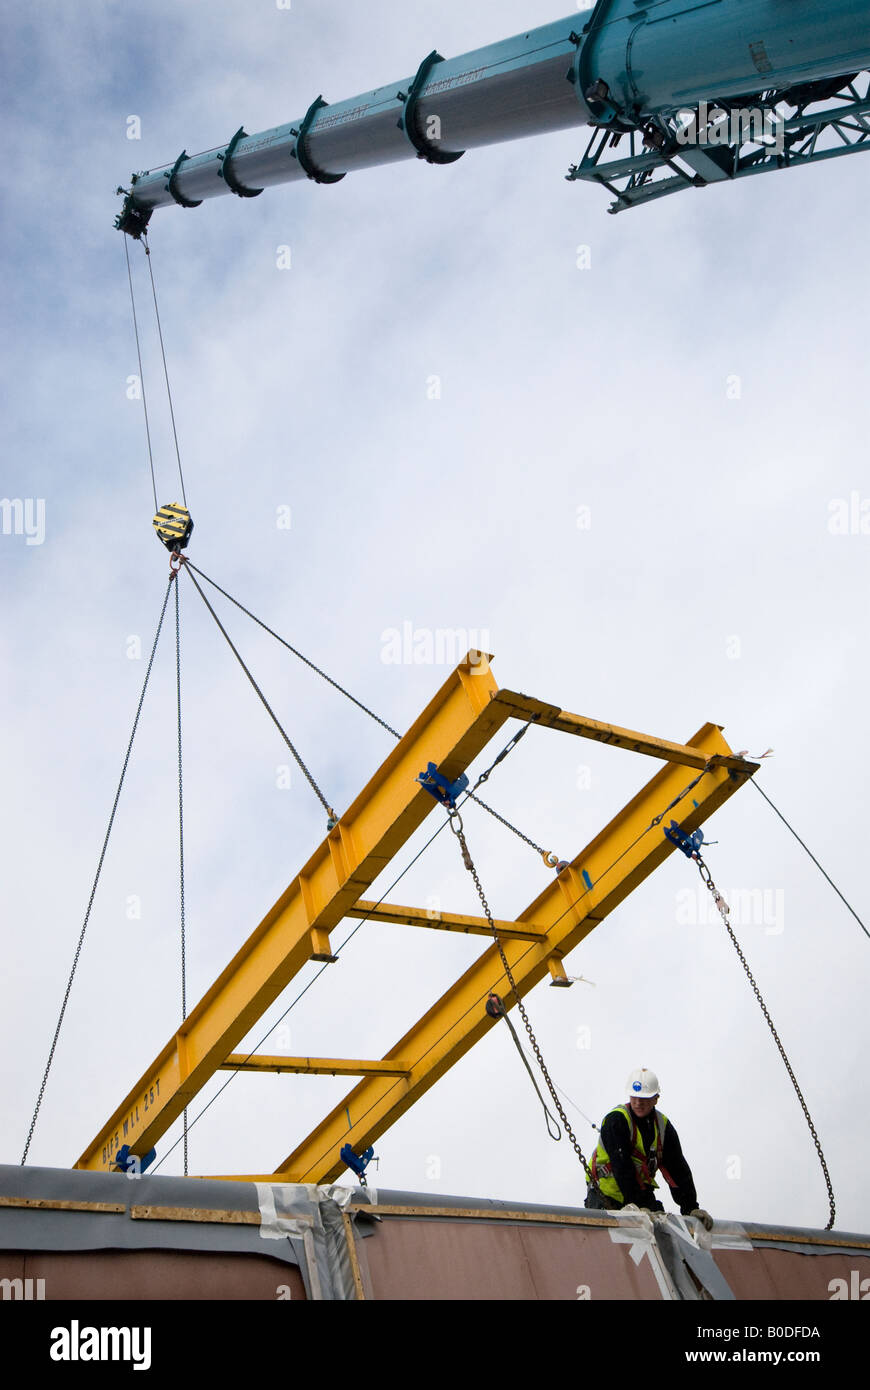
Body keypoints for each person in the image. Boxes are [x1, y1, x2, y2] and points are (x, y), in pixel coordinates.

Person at [585, 1067, 714, 1229]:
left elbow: (677, 1169)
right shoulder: (616, 1120)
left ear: (656, 1099)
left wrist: (690, 1207)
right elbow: (621, 1166)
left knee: (662, 1234)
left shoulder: (662, 1127)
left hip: (640, 1196)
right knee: (610, 1246)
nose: (638, 1103)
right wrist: (637, 1205)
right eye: (634, 1097)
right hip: (606, 1197)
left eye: (644, 1098)